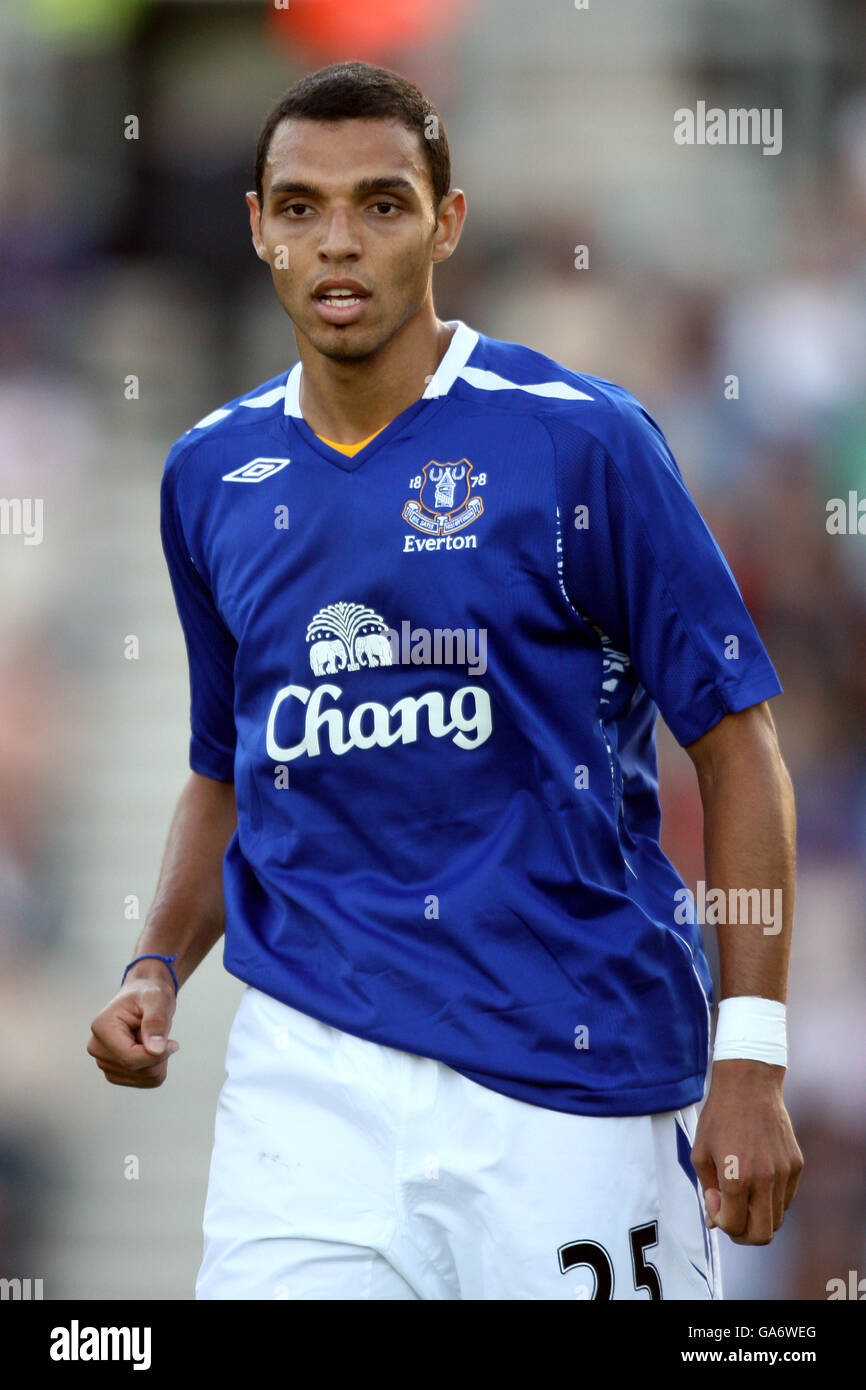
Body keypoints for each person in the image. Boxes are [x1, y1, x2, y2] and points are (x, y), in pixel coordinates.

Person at [87, 60, 803, 1301]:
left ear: (446, 222)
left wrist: (750, 1055)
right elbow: (226, 766)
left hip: (563, 1071)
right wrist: (154, 962)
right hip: (307, 1083)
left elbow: (736, 745)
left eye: (381, 202)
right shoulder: (210, 477)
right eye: (300, 208)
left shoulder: (578, 441)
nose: (338, 243)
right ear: (257, 227)